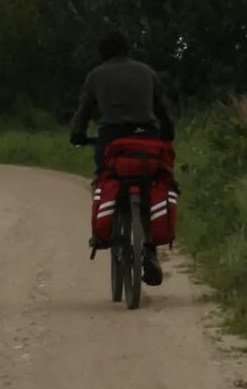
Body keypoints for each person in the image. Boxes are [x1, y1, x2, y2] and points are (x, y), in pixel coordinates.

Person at [67, 30, 175, 285]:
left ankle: (112, 229)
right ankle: (149, 249)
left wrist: (77, 135)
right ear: (127, 50)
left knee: (108, 177)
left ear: (102, 54)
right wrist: (167, 134)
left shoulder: (96, 75)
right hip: (147, 138)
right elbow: (163, 109)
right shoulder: (147, 72)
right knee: (150, 183)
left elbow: (83, 111)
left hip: (112, 140)